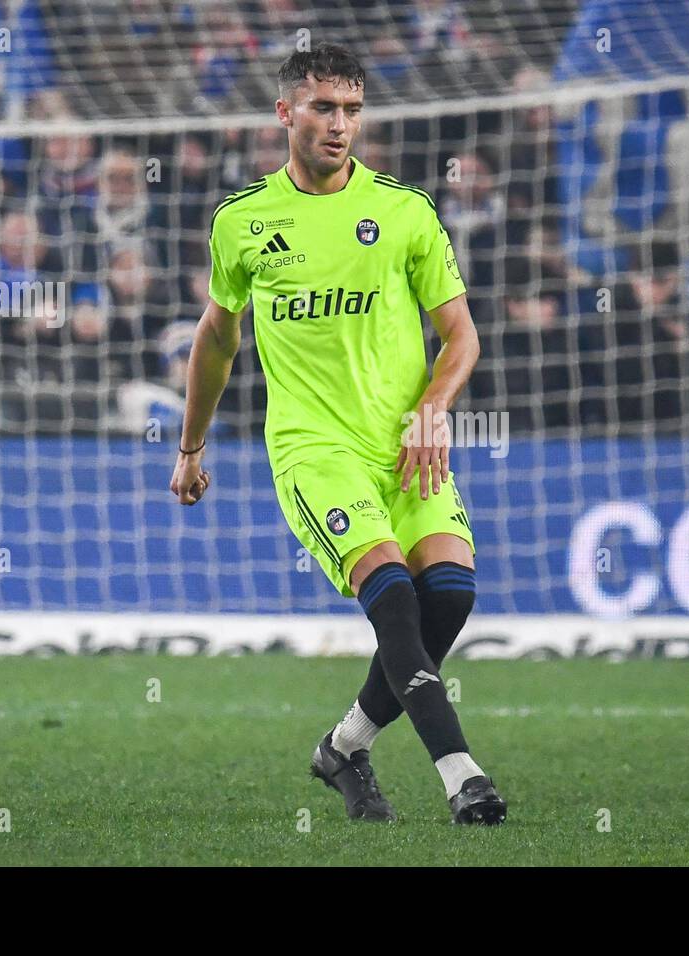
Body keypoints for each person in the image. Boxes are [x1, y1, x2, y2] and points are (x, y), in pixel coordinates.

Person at [169, 43, 506, 826]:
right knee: (392, 596)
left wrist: (434, 408)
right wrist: (191, 446)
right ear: (285, 114)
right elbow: (217, 337)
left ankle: (345, 746)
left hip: (405, 445)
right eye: (323, 107)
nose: (340, 124)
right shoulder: (244, 222)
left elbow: (460, 335)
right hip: (313, 449)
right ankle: (463, 776)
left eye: (352, 109)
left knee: (448, 598)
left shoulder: (405, 211)